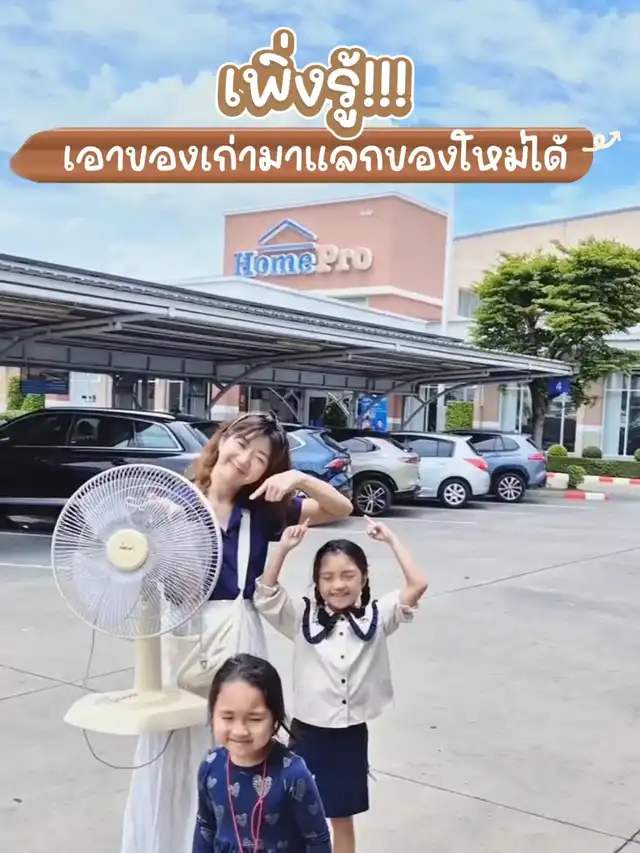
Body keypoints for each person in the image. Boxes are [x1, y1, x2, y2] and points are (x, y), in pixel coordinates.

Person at [121, 412, 352, 853]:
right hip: (180, 639)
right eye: (242, 444)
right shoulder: (171, 499)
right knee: (172, 746)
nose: (245, 460)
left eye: (260, 458)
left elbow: (340, 507)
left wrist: (300, 478)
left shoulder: (262, 512)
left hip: (238, 639)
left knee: (236, 747)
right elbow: (129, 561)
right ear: (222, 439)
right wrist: (156, 528)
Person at [254, 517, 428, 853]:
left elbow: (418, 583)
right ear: (317, 582)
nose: (338, 585)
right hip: (308, 734)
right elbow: (266, 594)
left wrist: (391, 539)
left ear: (364, 578)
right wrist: (284, 549)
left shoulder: (378, 617)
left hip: (349, 735)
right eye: (328, 577)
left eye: (348, 575)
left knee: (342, 816)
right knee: (296, 813)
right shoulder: (301, 618)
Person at [193, 653, 332, 853]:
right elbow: (205, 827)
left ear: (275, 719)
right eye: (228, 717)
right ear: (212, 714)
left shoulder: (293, 775)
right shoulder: (210, 766)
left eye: (255, 719)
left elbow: (317, 840)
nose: (240, 731)